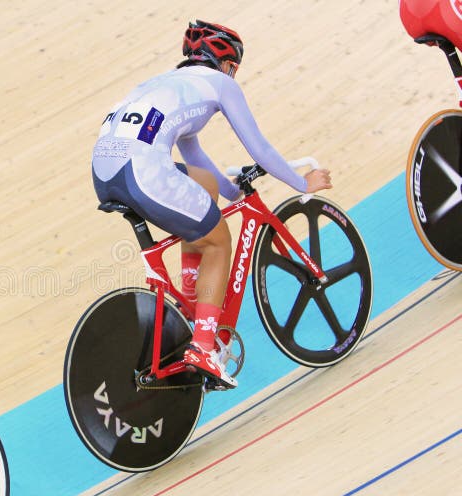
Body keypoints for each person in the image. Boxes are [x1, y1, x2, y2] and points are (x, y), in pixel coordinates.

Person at [91, 20, 332, 390]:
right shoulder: (221, 84)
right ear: (228, 64)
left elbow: (198, 161)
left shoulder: (166, 83)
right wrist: (302, 183)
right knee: (218, 240)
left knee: (201, 188)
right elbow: (260, 149)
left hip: (105, 170)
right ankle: (203, 346)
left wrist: (237, 194)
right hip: (143, 171)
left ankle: (190, 301)